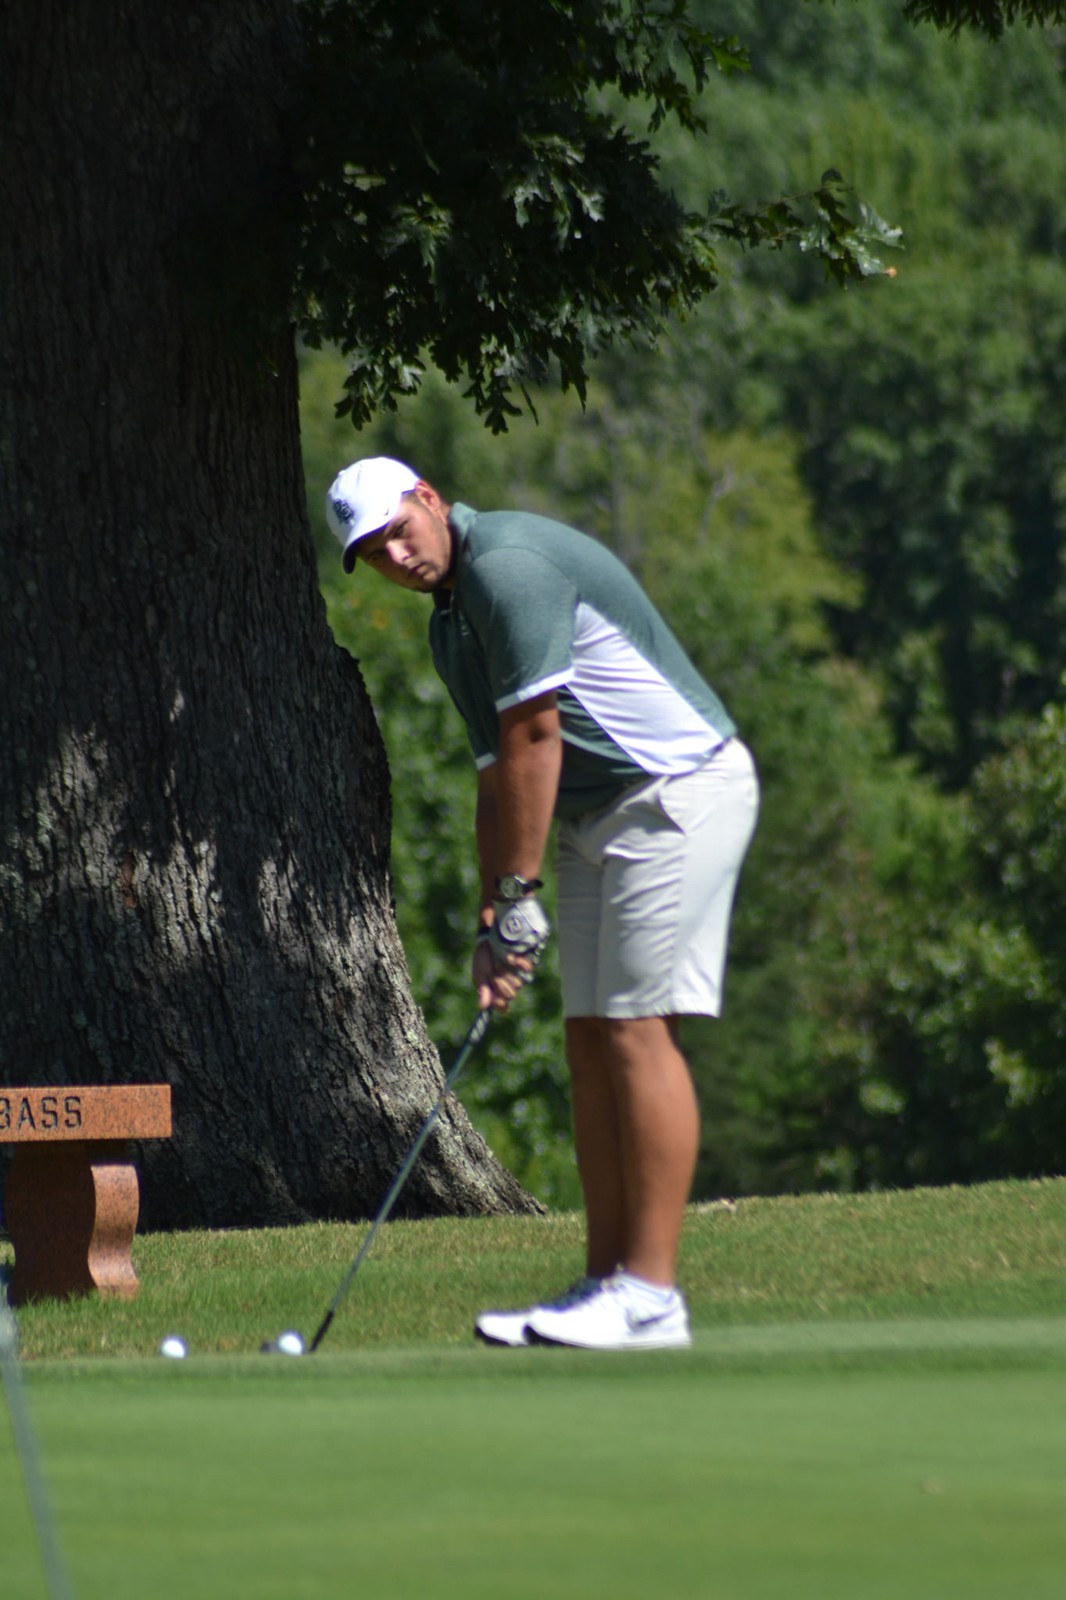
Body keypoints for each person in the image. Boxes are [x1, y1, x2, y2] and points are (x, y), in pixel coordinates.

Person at [326, 455, 759, 1350]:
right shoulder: (452, 629)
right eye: (371, 553)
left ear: (431, 501)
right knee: (589, 1038)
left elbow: (535, 736)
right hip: (600, 815)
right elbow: (496, 785)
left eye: (399, 531)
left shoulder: (506, 569)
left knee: (639, 1030)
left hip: (678, 794)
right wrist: (495, 921)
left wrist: (519, 896)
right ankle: (607, 1286)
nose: (395, 557)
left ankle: (651, 1293)